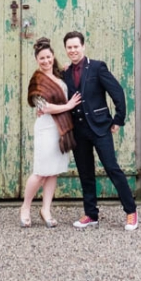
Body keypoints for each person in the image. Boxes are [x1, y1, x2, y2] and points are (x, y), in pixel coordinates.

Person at [61, 30, 139, 230]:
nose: (73, 50)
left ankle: (131, 211)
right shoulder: (65, 73)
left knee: (112, 168)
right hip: (78, 130)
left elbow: (117, 92)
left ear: (83, 46)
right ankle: (91, 214)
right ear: (66, 49)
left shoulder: (97, 67)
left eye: (76, 46)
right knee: (85, 172)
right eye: (69, 47)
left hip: (100, 127)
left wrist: (118, 119)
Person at [19, 37, 81, 228]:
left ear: (53, 57)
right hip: (46, 128)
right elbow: (43, 107)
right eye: (42, 58)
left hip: (61, 129)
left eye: (48, 57)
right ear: (37, 60)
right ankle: (25, 207)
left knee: (53, 172)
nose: (46, 61)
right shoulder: (37, 80)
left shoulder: (60, 75)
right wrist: (68, 106)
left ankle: (46, 210)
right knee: (40, 172)